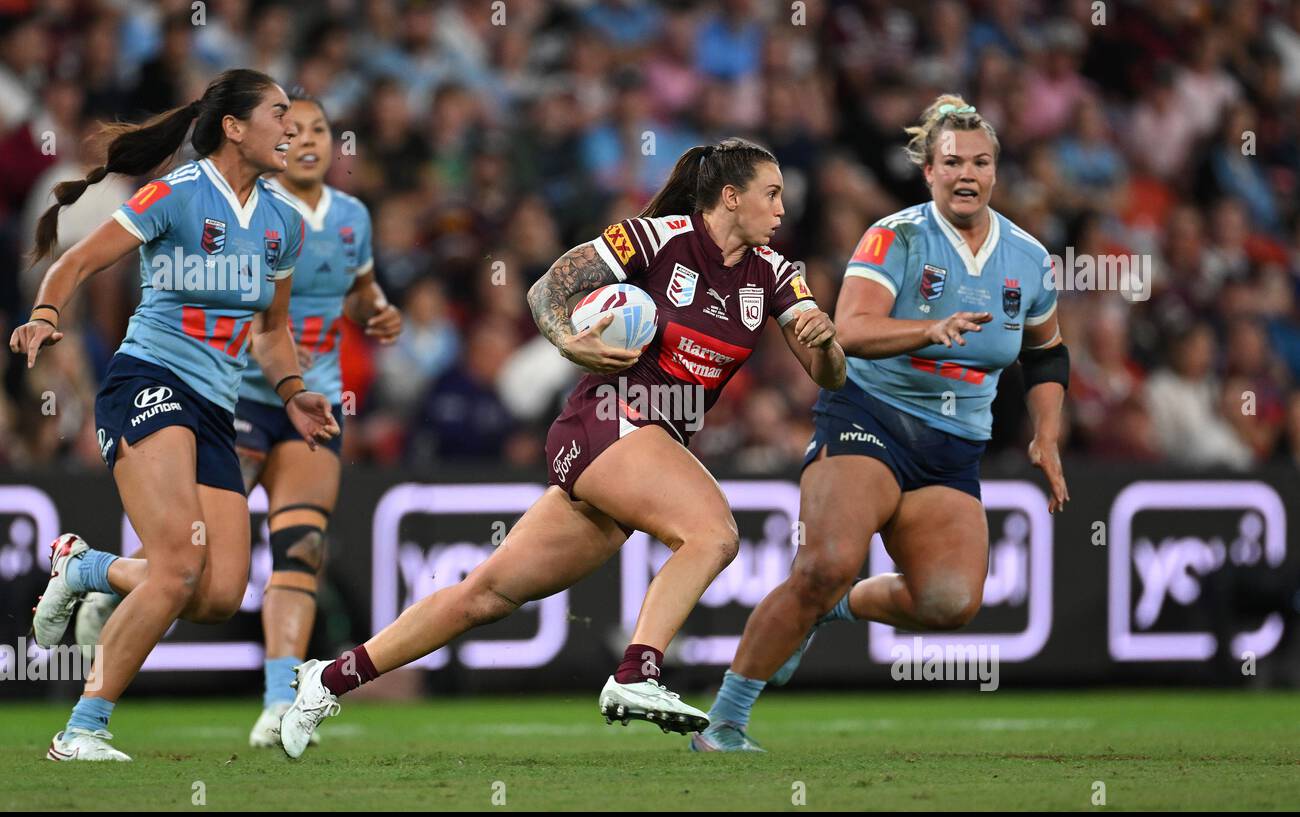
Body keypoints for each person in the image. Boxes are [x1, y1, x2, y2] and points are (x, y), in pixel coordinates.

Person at [277, 138, 847, 757]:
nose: (783, 209)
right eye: (772, 194)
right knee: (712, 533)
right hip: (608, 419)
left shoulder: (777, 273)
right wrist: (573, 344)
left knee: (486, 594)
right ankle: (637, 673)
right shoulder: (657, 238)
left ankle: (327, 680)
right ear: (731, 197)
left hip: (645, 444)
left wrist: (826, 342)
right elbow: (548, 290)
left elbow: (827, 375)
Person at [692, 96, 1070, 752]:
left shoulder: (1030, 258)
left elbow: (1047, 352)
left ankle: (831, 610)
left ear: (995, 172)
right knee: (825, 563)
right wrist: (930, 328)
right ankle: (724, 722)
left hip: (954, 445)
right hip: (870, 417)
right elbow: (852, 330)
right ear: (928, 171)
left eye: (980, 161)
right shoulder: (894, 237)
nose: (966, 173)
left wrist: (1046, 432)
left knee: (950, 602)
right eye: (952, 162)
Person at [11, 69, 338, 761]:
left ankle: (84, 569)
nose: (293, 127)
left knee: (218, 593)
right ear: (234, 127)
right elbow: (75, 262)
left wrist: (290, 392)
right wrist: (44, 314)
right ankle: (83, 728)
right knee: (177, 566)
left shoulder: (282, 223)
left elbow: (272, 329)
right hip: (147, 382)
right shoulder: (176, 194)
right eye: (280, 113)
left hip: (218, 406)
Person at [72, 93, 403, 748]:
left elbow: (361, 294)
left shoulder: (350, 219)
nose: (303, 138)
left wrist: (377, 313)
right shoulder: (215, 201)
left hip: (316, 396)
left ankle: (278, 703)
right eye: (290, 125)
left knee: (297, 549)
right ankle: (94, 586)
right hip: (235, 397)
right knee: (186, 559)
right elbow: (256, 322)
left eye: (317, 130)